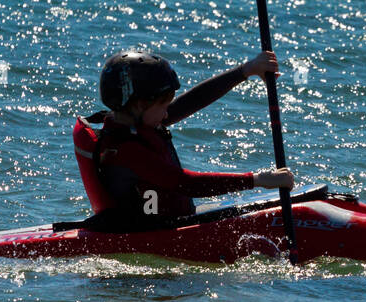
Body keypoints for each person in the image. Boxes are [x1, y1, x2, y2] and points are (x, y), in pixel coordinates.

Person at [82, 49, 293, 228]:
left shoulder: (136, 123)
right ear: (139, 105)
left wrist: (247, 70)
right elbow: (186, 183)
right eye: (163, 107)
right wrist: (257, 180)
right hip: (148, 233)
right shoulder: (126, 149)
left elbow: (194, 100)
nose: (167, 114)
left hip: (167, 222)